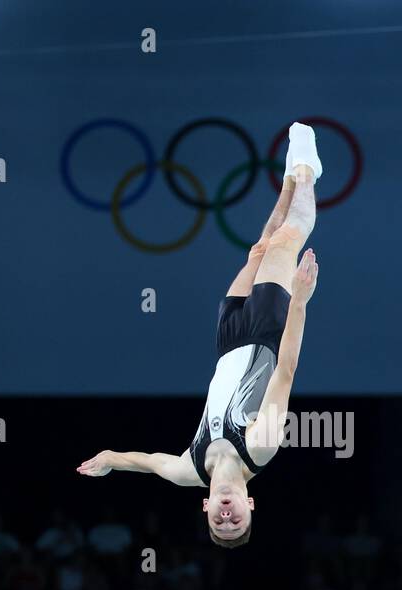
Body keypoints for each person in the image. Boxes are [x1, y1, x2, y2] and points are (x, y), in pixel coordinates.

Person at [77, 122, 323, 548]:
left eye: (220, 523)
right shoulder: (260, 450)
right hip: (266, 334)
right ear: (251, 504)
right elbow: (285, 372)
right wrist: (299, 302)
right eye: (237, 521)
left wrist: (111, 460)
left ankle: (287, 181)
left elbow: (150, 463)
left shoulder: (189, 470)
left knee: (259, 250)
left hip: (228, 340)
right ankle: (307, 169)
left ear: (206, 508)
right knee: (286, 241)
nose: (227, 516)